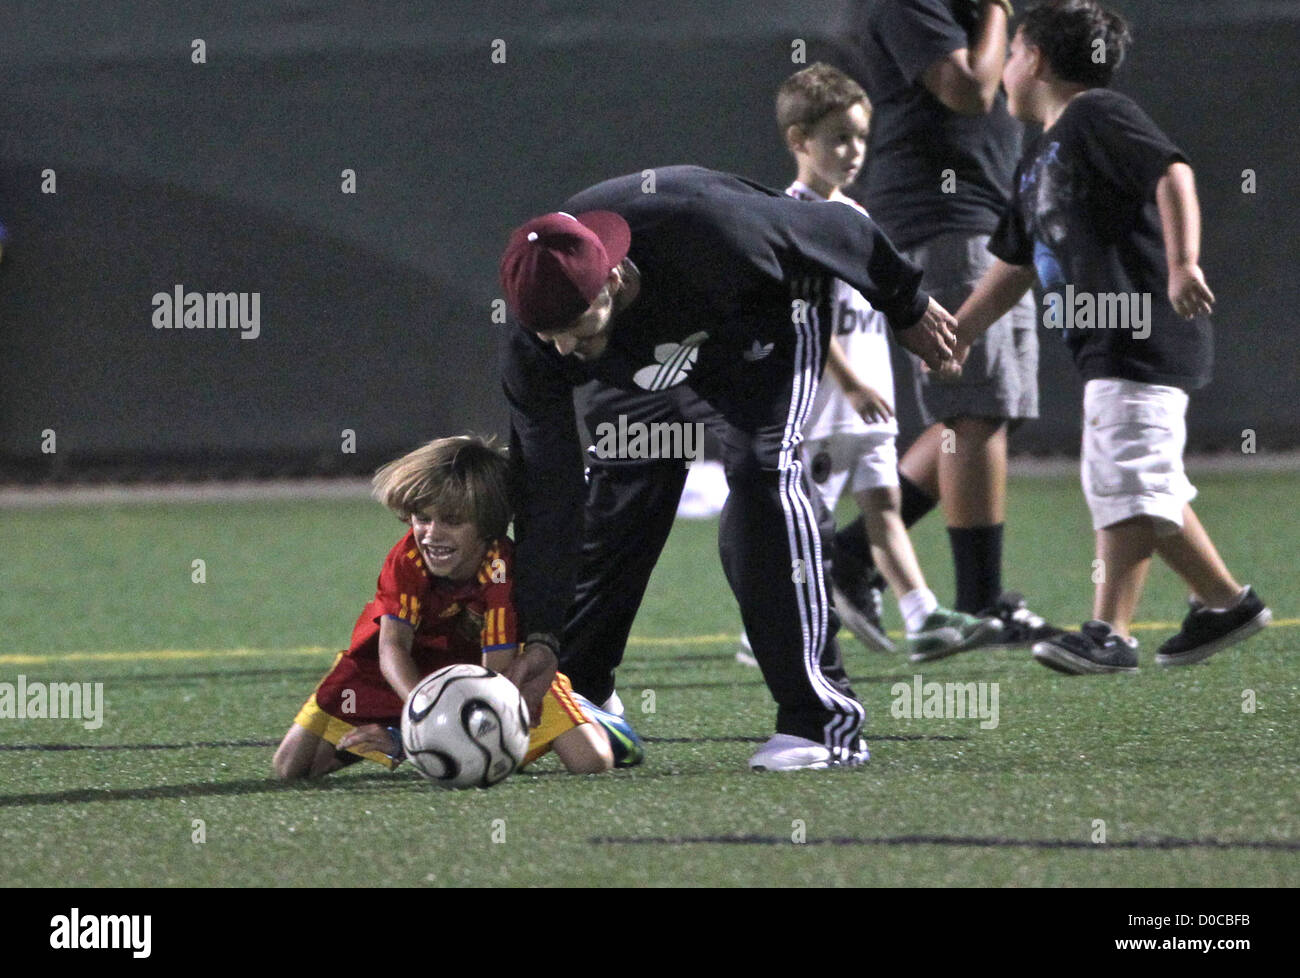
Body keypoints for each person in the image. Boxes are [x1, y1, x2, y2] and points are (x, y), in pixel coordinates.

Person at [498, 165, 958, 771]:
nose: (560, 350)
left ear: (613, 277)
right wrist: (542, 637)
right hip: (645, 355)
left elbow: (845, 227)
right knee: (621, 488)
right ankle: (585, 688)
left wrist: (907, 304)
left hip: (756, 324)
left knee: (764, 477)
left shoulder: (715, 231)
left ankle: (822, 723)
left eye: (573, 331)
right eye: (545, 335)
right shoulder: (543, 336)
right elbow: (549, 496)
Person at [948, 0, 1271, 672]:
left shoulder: (1095, 114)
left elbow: (1171, 172)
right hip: (1105, 348)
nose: (1004, 69)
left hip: (1141, 334)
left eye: (1010, 55)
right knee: (1136, 481)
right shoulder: (1038, 159)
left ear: (1032, 57)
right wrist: (959, 332)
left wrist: (1183, 264)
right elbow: (1011, 265)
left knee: (1127, 475)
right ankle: (1223, 601)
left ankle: (1109, 631)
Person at [748, 62, 1003, 662]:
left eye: (862, 136)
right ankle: (770, 626)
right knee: (805, 526)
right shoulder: (791, 220)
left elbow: (889, 299)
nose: (855, 150)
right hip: (823, 405)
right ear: (799, 141)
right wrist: (853, 383)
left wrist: (924, 348)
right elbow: (801, 318)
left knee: (884, 506)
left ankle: (923, 617)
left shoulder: (857, 216)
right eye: (840, 137)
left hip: (870, 399)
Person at [835, 0, 1062, 646]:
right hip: (943, 216)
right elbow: (968, 88)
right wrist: (995, 11)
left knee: (988, 406)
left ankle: (849, 557)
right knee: (974, 407)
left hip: (983, 216)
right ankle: (982, 600)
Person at [272, 435, 643, 779]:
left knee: (592, 762)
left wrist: (411, 736)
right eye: (422, 518)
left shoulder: (500, 569)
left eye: (451, 521)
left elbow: (493, 679)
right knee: (292, 768)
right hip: (395, 672)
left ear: (487, 525)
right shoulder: (407, 559)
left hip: (482, 672)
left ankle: (593, 716)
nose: (431, 534)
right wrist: (422, 720)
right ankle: (394, 738)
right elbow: (392, 649)